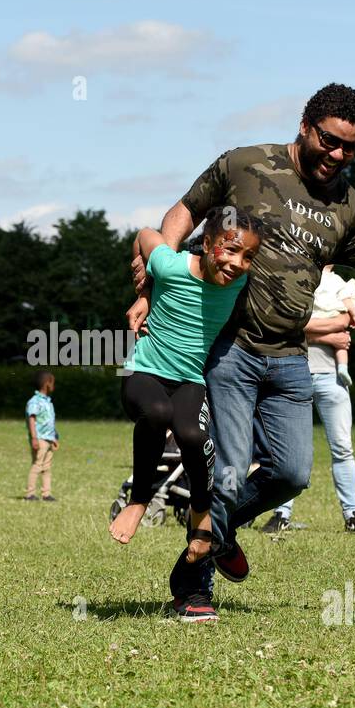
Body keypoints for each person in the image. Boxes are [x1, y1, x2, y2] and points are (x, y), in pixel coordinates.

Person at [128, 83, 355, 621]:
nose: (337, 155)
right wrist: (155, 285)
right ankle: (194, 584)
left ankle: (222, 528)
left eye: (350, 148)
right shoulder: (243, 164)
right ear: (306, 125)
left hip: (288, 356)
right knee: (233, 469)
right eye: (330, 141)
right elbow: (184, 213)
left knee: (291, 474)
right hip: (229, 349)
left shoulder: (349, 207)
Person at [113, 212, 262, 621]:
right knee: (158, 414)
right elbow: (145, 234)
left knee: (195, 438)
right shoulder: (172, 265)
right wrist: (143, 281)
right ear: (208, 242)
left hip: (189, 380)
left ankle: (201, 520)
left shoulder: (240, 281)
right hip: (142, 372)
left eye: (247, 257)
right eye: (229, 249)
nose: (236, 263)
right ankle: (140, 499)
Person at [260, 264, 355, 535]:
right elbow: (287, 325)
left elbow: (351, 319)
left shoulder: (339, 283)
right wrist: (331, 333)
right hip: (293, 375)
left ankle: (353, 514)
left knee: (343, 447)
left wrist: (318, 328)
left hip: (332, 377)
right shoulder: (290, 278)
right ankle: (281, 514)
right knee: (291, 451)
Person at [25, 370, 58, 502]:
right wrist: (34, 438)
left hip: (49, 438)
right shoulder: (35, 401)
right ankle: (30, 493)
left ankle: (46, 493)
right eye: (52, 382)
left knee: (47, 467)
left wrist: (54, 437)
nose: (54, 385)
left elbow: (50, 421)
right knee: (37, 465)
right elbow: (32, 420)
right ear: (46, 384)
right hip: (40, 439)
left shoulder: (47, 401)